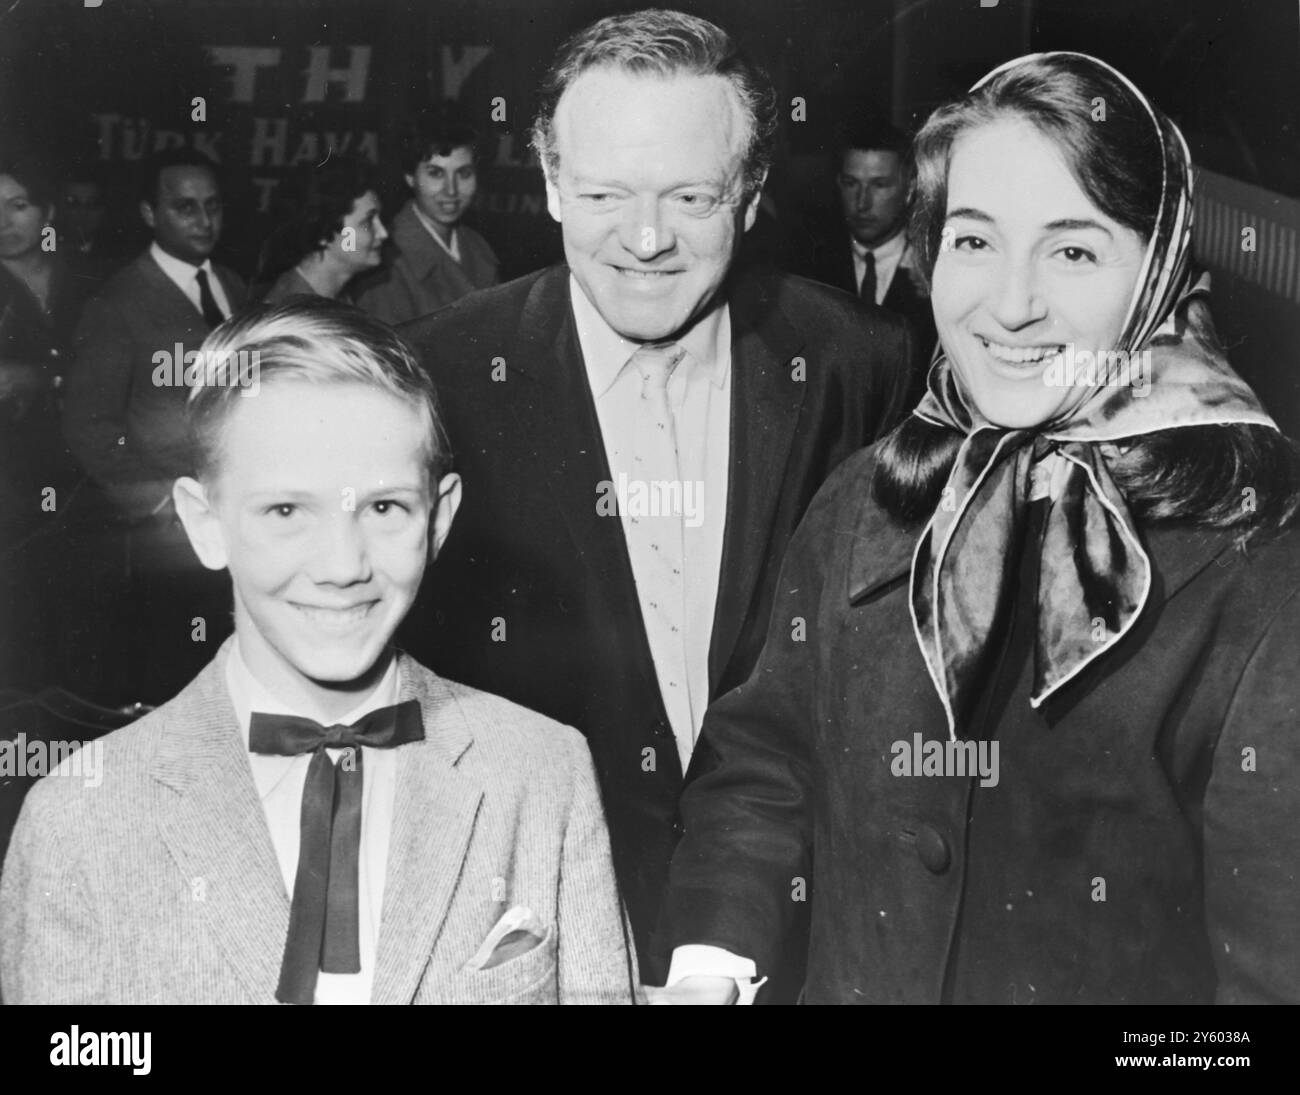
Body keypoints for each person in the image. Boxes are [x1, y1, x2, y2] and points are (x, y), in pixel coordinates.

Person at [660, 52, 1300, 1005]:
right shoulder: (862, 498)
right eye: (973, 241)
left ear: (1159, 266)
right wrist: (713, 959)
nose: (1009, 306)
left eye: (1074, 250)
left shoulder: (1260, 573)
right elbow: (763, 762)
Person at [398, 8, 913, 991]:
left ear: (751, 194)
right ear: (550, 184)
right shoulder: (440, 377)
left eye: (690, 195)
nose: (645, 240)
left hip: (798, 939)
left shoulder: (860, 363)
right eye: (602, 193)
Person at [0, 298, 640, 1005]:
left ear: (440, 518)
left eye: (385, 507)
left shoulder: (544, 772)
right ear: (204, 523)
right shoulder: (79, 819)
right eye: (285, 511)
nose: (342, 565)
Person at [63, 149, 247, 522]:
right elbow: (89, 428)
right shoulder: (116, 302)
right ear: (149, 213)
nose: (204, 221)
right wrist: (160, 504)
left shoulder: (234, 285)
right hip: (171, 523)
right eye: (185, 208)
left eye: (213, 206)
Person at [801, 117, 937, 400]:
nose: (862, 202)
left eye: (880, 185)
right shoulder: (809, 265)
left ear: (910, 187)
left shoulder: (934, 270)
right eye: (852, 184)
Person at [353, 104, 499, 324]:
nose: (451, 190)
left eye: (464, 173)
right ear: (410, 176)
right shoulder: (385, 266)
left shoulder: (478, 246)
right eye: (435, 173)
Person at [258, 156, 388, 303]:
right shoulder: (292, 312)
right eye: (368, 221)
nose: (383, 233)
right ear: (323, 234)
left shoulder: (333, 298)